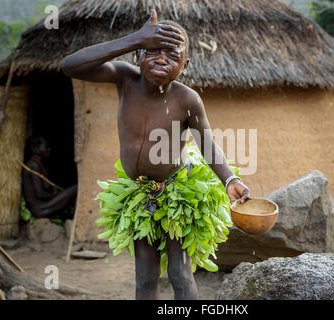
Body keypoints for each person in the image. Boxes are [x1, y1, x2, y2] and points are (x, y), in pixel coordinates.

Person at [61, 10, 251, 300]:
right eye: (152, 51)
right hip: (139, 196)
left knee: (179, 273)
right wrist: (134, 39)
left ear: (184, 66)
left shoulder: (187, 99)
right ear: (137, 56)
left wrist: (229, 179)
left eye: (172, 55)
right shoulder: (125, 80)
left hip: (178, 195)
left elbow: (207, 144)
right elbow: (70, 66)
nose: (162, 59)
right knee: (145, 277)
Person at [22, 136, 77, 220]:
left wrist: (62, 197)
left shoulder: (37, 165)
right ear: (35, 149)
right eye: (46, 147)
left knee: (69, 195)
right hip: (40, 209)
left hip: (43, 207)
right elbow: (40, 194)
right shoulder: (33, 166)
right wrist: (60, 196)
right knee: (74, 189)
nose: (49, 149)